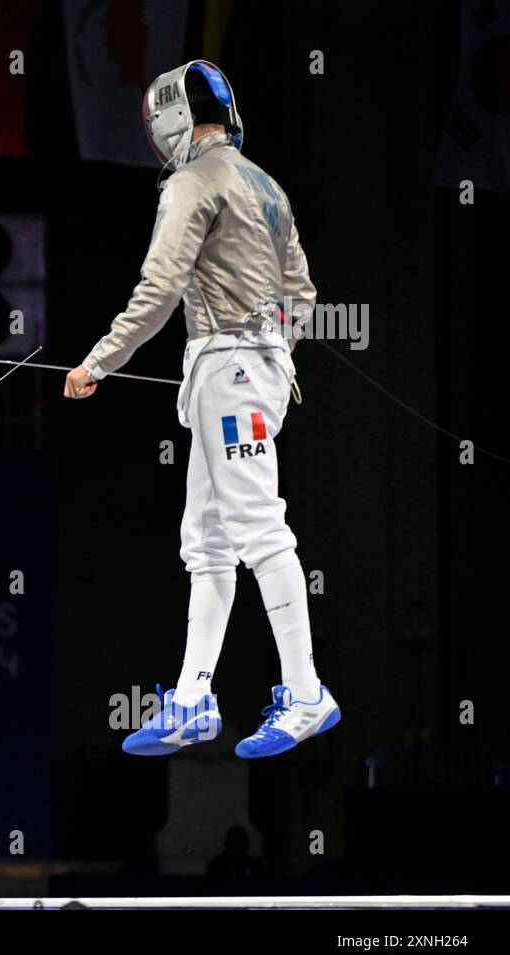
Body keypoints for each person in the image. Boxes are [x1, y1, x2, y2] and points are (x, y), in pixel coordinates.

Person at [63, 60, 340, 759]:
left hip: (231, 371)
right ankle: (192, 697)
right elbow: (302, 293)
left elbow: (159, 287)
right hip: (251, 371)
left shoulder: (191, 183)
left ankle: (306, 691)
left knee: (257, 529)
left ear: (169, 121)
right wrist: (275, 359)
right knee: (207, 541)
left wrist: (99, 360)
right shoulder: (266, 185)